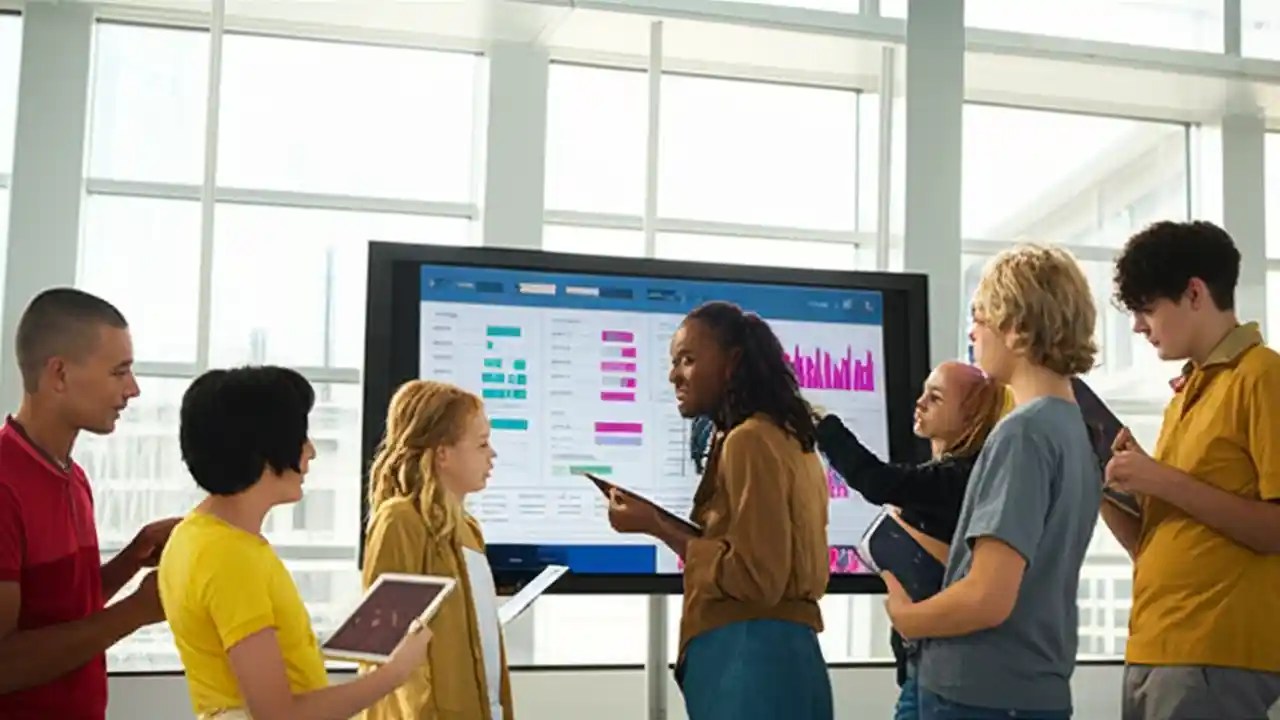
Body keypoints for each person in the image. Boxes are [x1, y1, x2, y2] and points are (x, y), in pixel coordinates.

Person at [882, 244, 1101, 720]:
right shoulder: (1075, 431)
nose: (972, 332)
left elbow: (987, 597)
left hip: (979, 694)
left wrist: (908, 619)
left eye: (980, 317)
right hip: (1032, 688)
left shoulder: (1023, 433)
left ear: (1018, 329)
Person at [158, 366, 432, 720]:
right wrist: (394, 673)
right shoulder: (230, 557)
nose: (311, 452)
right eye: (300, 438)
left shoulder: (194, 535)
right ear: (264, 448)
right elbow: (278, 715)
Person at [606, 300, 833, 720]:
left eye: (688, 360)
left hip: (749, 658)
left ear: (733, 363)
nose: (674, 375)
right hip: (785, 656)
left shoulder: (749, 440)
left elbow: (756, 577)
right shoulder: (788, 438)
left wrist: (656, 526)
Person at [1104, 220, 1280, 720]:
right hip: (1157, 642)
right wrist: (1109, 484)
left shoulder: (1263, 376)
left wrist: (1160, 479)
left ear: (1195, 293)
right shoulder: (1186, 397)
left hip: (1213, 648)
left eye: (1147, 308)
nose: (1139, 326)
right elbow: (1155, 542)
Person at [0, 288, 178, 720]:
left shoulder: (73, 476)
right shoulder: (4, 485)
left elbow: (61, 611)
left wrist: (131, 560)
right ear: (59, 373)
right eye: (120, 372)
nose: (133, 389)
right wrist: (136, 611)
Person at [814, 360, 1010, 720]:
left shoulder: (960, 479)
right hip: (923, 667)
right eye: (923, 393)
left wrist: (824, 427)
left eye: (935, 398)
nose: (920, 403)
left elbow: (876, 481)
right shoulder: (944, 475)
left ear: (970, 415)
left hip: (943, 671)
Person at [360, 379, 513, 720]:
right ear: (443, 453)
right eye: (482, 444)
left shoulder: (469, 529)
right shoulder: (400, 520)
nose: (492, 455)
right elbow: (387, 642)